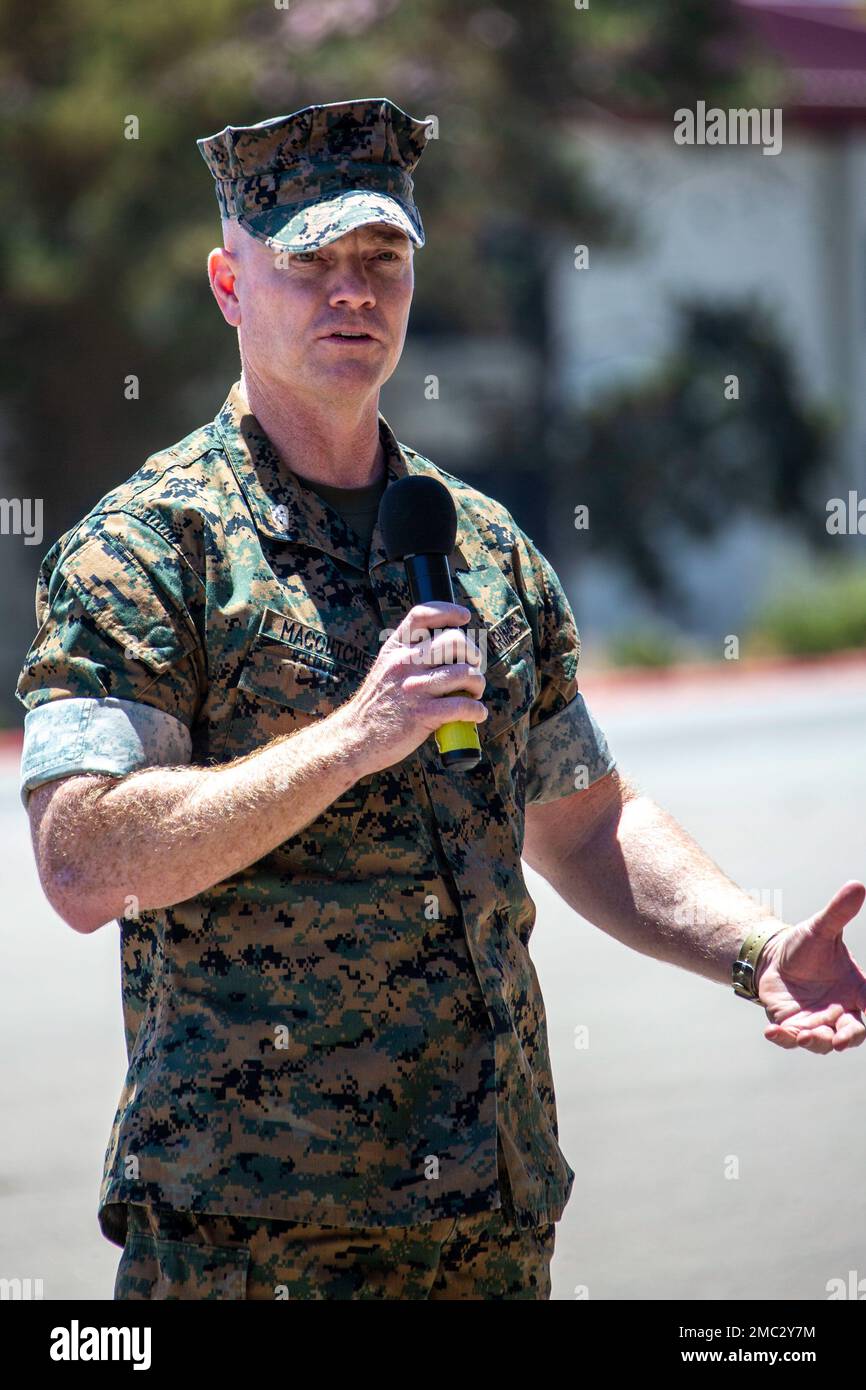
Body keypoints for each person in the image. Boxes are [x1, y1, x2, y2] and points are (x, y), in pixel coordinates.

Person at [16, 97, 866, 1302]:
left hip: (490, 1224)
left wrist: (756, 948)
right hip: (255, 1242)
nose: (350, 291)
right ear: (227, 284)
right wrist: (355, 740)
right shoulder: (151, 551)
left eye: (382, 257)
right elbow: (82, 863)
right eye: (308, 258)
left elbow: (581, 817)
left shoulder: (480, 544)